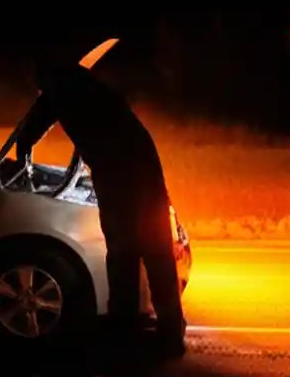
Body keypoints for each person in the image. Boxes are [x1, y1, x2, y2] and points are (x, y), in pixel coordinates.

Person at [15, 33, 186, 358]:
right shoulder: (81, 84)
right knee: (153, 252)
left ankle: (125, 332)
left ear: (43, 71)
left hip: (122, 174)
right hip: (143, 167)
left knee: (124, 253)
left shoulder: (60, 87)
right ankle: (168, 333)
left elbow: (29, 132)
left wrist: (22, 163)